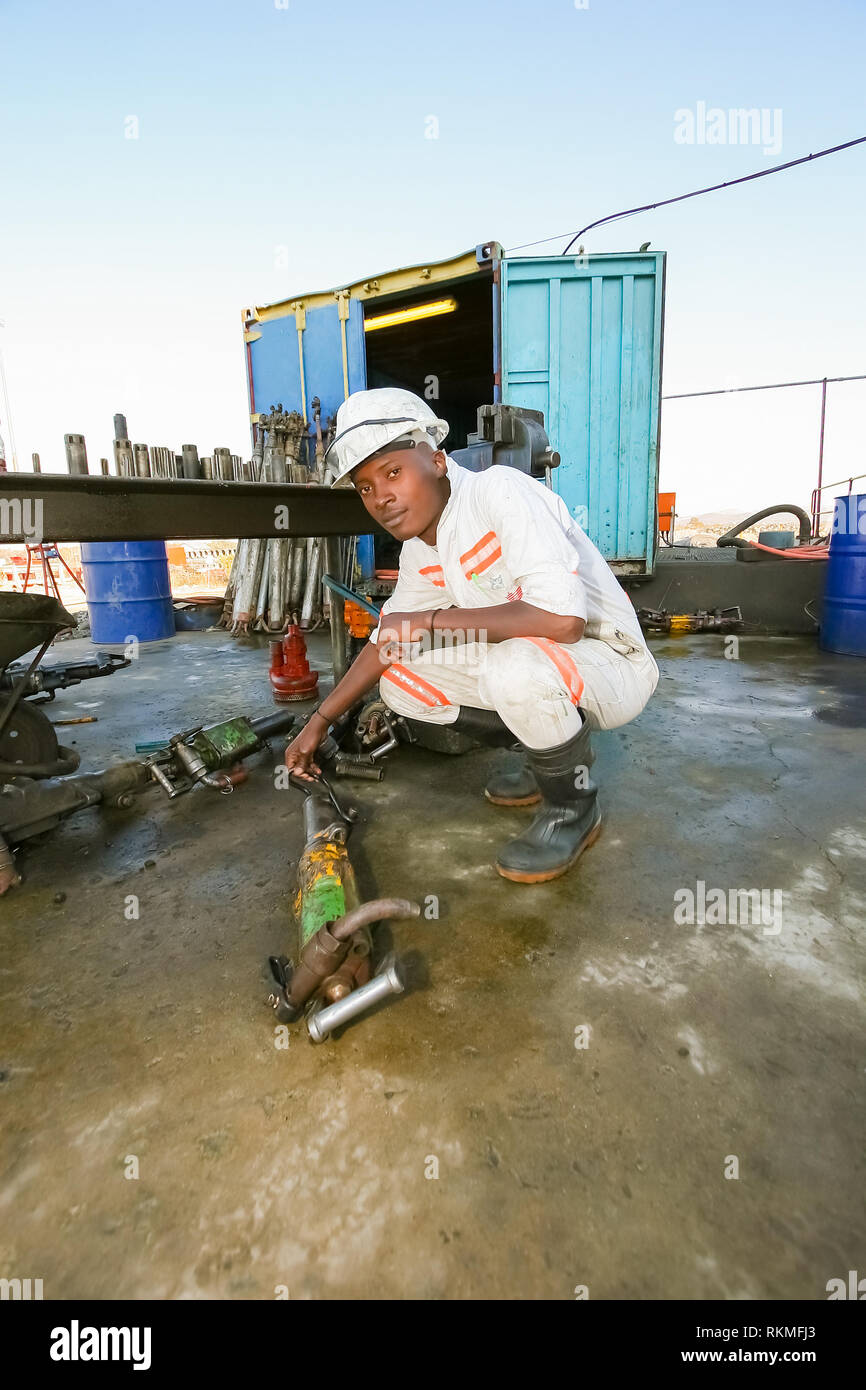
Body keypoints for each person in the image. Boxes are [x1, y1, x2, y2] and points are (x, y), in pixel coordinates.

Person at [284, 387, 659, 883]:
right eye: (366, 487)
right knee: (401, 681)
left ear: (436, 460)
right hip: (543, 661)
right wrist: (321, 720)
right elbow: (389, 641)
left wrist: (433, 622)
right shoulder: (423, 548)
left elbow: (563, 622)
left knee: (512, 667)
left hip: (610, 659)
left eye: (393, 472)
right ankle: (536, 752)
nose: (381, 498)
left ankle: (573, 810)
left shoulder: (499, 491)